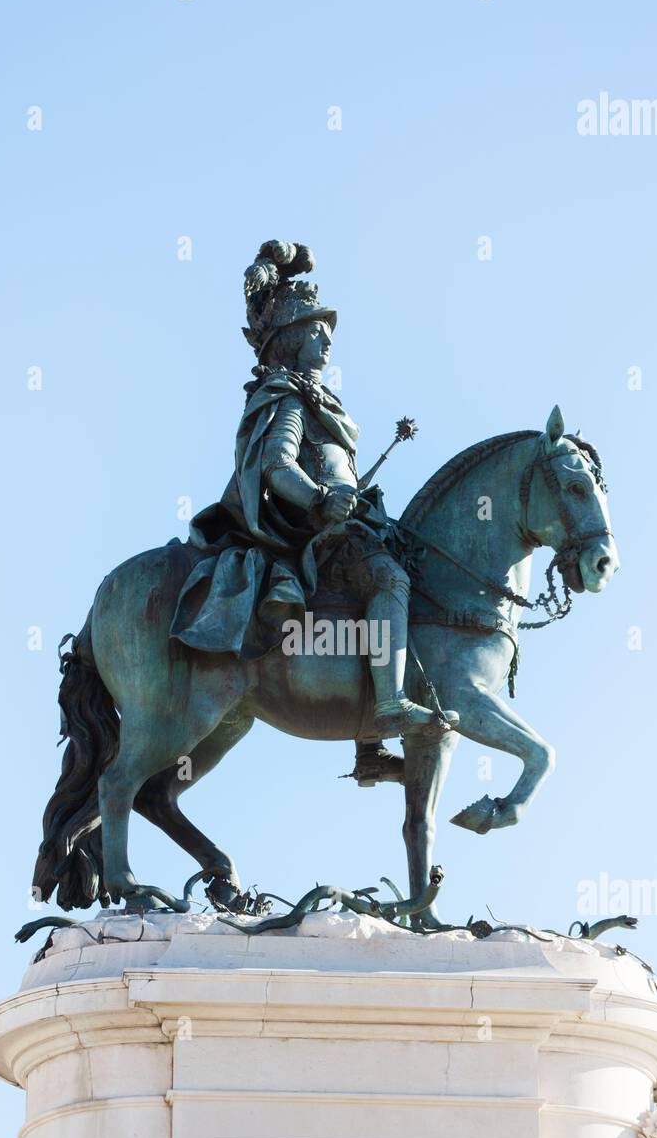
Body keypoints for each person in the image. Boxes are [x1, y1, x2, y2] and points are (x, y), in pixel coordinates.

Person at [169, 240, 456, 779]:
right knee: (389, 580)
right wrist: (325, 498)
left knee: (409, 573)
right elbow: (278, 468)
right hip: (315, 528)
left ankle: (368, 746)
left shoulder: (321, 401)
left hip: (347, 521)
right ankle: (390, 704)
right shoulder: (289, 398)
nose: (326, 339)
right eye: (316, 330)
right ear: (293, 339)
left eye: (327, 331)